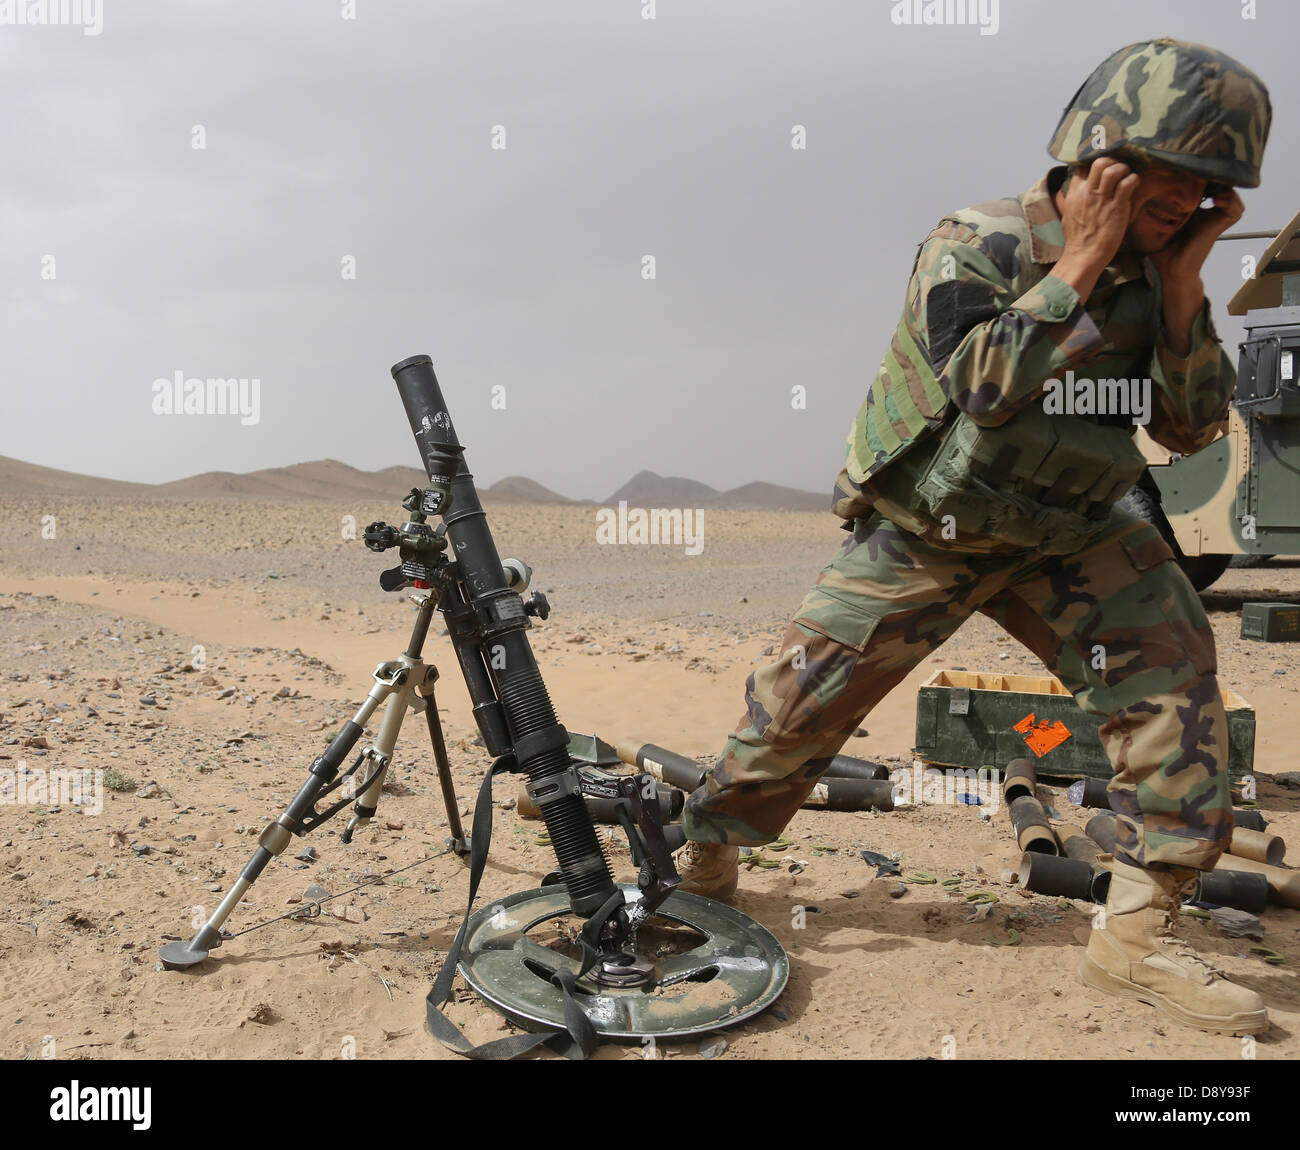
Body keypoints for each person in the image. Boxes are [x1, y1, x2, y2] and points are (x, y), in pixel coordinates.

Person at [675, 39, 1273, 1035]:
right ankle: (706, 852)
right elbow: (983, 388)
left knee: (1176, 687)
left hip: (1072, 529)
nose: (1181, 198)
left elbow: (1188, 426)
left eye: (1205, 186)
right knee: (795, 706)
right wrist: (1081, 262)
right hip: (931, 528)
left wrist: (1178, 286)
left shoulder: (1163, 270)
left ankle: (1132, 943)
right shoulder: (977, 241)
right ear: (1096, 154)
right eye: (1162, 175)